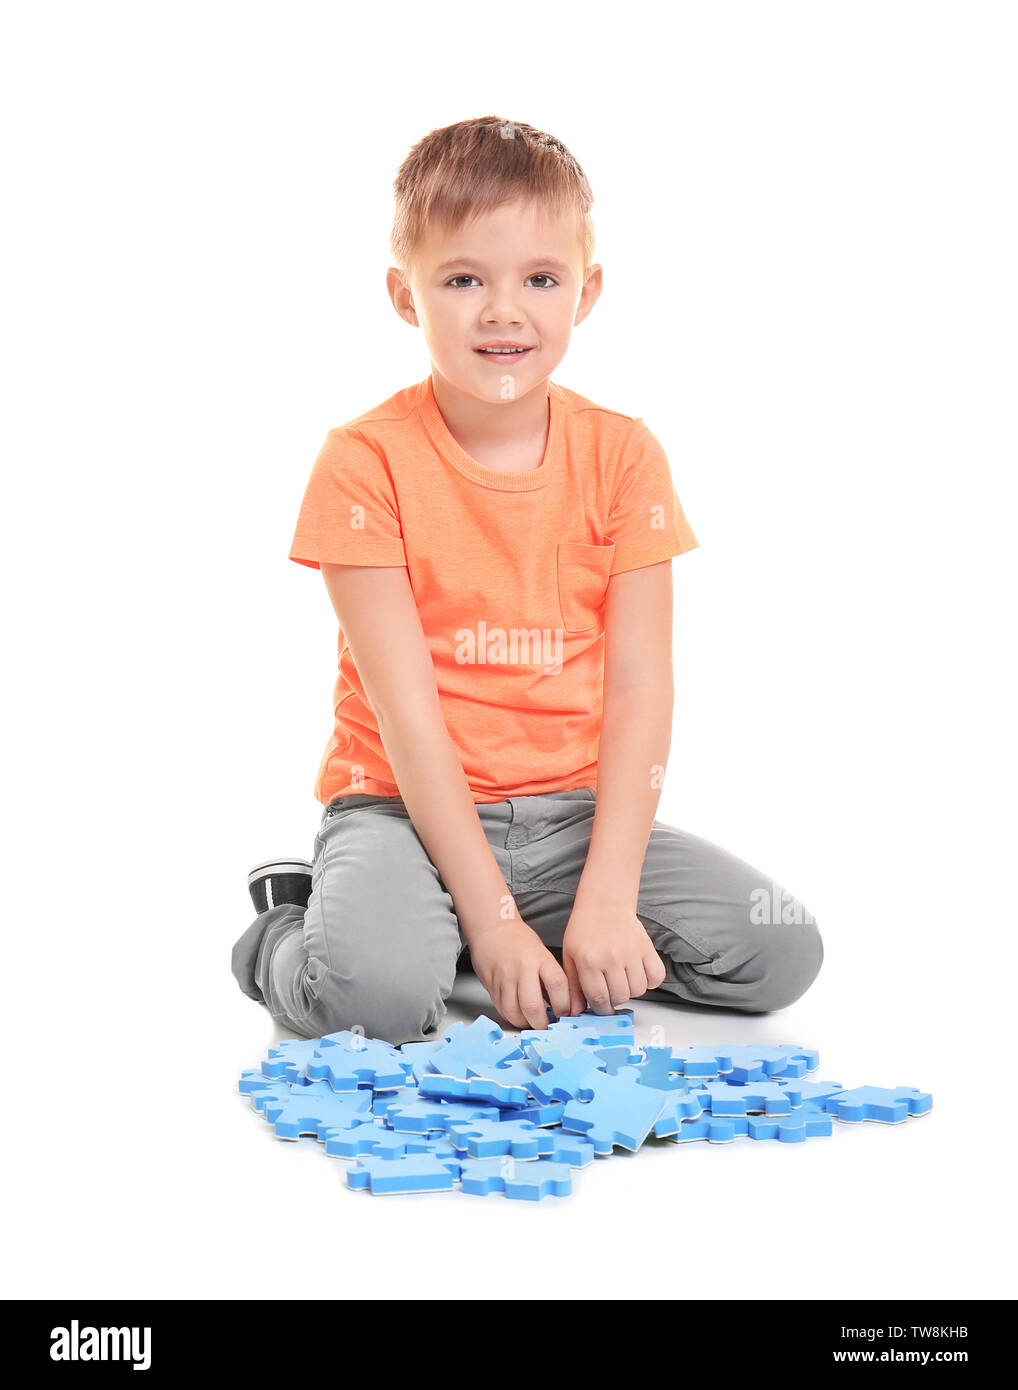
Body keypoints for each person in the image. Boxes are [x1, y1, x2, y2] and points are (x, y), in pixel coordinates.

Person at [231, 116, 823, 1046]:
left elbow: (640, 688)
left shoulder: (624, 454)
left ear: (586, 293)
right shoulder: (362, 462)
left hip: (569, 819)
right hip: (401, 809)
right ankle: (289, 929)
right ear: (403, 294)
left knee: (779, 953)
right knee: (375, 1003)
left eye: (539, 280)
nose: (503, 312)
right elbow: (408, 716)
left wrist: (610, 897)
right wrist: (494, 920)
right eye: (463, 279)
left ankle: (482, 931)